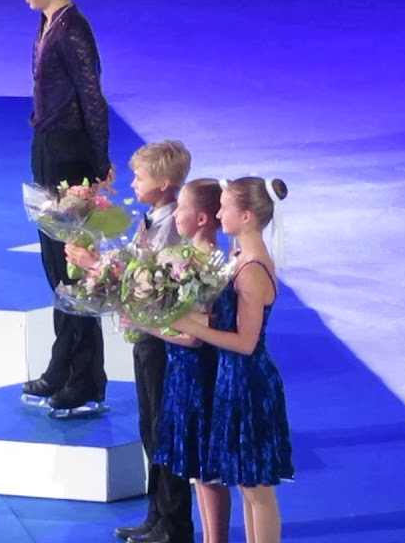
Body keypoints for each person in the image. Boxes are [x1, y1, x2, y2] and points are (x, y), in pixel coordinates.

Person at [67, 142, 198, 542]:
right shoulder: (153, 217)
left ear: (164, 184)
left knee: (163, 429)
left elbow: (153, 282)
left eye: (140, 177)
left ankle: (174, 524)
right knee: (149, 427)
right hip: (146, 337)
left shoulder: (173, 226)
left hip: (164, 344)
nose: (134, 183)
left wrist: (99, 267)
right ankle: (157, 514)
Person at [8, 0, 113, 417]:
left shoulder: (73, 31)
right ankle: (61, 365)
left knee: (74, 269)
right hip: (47, 149)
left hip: (71, 159)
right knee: (55, 271)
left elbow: (93, 99)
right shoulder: (47, 22)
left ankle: (86, 380)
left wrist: (97, 164)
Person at [172, 177, 294, 543]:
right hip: (233, 378)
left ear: (244, 216)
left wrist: (184, 322)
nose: (219, 213)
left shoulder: (252, 270)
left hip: (249, 381)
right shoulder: (240, 258)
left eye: (224, 207)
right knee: (246, 484)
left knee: (257, 489)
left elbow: (245, 342)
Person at [126, 179, 233, 543]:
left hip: (196, 372)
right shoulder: (187, 258)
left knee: (205, 468)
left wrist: (145, 322)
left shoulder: (205, 265)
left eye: (183, 210)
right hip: (180, 373)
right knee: (196, 470)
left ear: (203, 219)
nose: (177, 217)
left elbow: (192, 335)